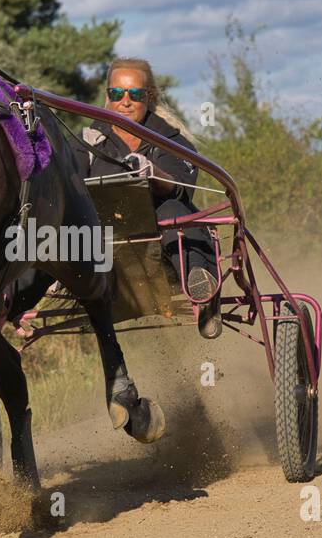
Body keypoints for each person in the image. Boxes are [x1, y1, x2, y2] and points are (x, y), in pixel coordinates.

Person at [76, 59, 222, 339]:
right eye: (117, 94)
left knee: (172, 209)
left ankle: (201, 287)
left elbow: (181, 188)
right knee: (46, 218)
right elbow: (69, 183)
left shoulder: (172, 141)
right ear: (108, 98)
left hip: (162, 243)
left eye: (136, 94)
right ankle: (7, 299)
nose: (126, 102)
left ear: (149, 98)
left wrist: (151, 173)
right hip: (105, 247)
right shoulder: (86, 141)